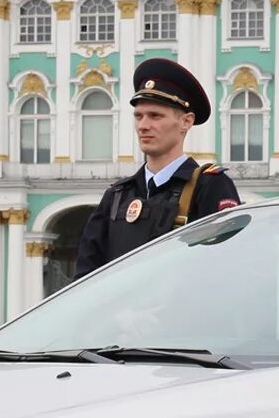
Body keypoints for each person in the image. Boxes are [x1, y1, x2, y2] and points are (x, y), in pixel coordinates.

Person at [74, 58, 241, 279]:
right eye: (139, 116)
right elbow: (86, 279)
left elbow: (225, 268)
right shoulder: (117, 196)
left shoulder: (209, 186)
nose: (143, 126)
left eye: (155, 116)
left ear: (186, 122)